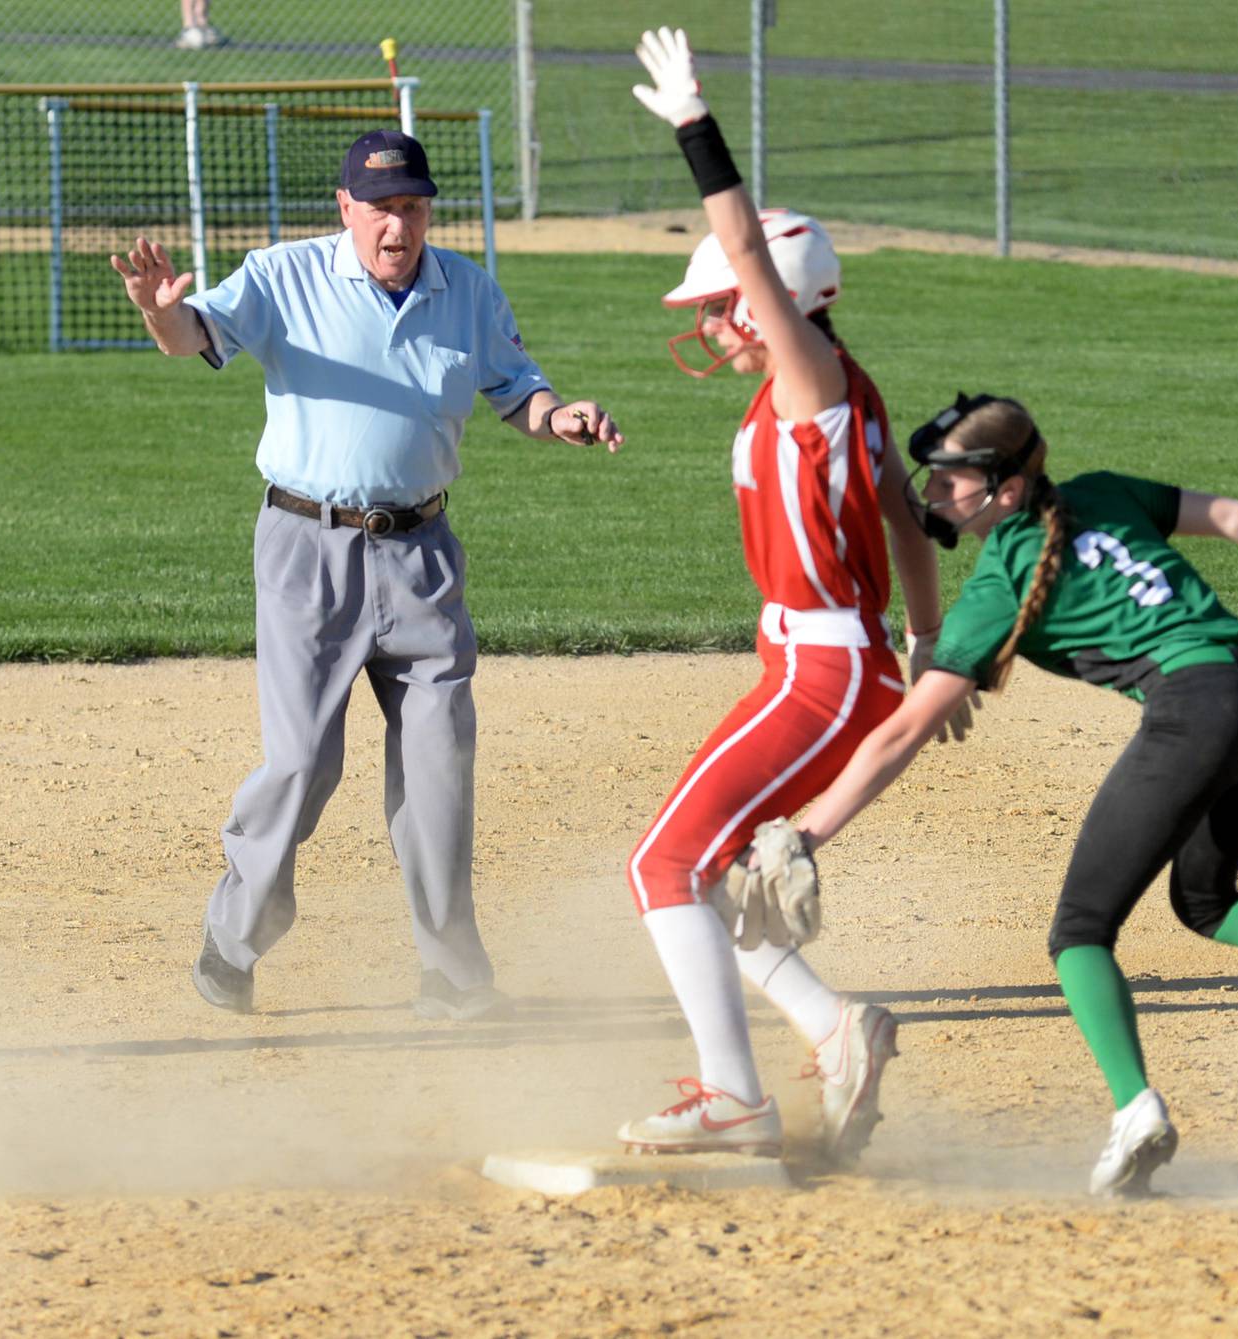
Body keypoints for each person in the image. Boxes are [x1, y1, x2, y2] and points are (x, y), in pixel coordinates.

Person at [793, 390, 1238, 1195]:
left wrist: (806, 835)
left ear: (1004, 491)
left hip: (1198, 713)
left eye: (947, 481)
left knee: (1080, 929)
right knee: (1205, 899)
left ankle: (1135, 1107)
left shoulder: (1001, 580)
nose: (932, 495)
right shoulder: (1103, 491)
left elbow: (902, 733)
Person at [110, 128, 623, 1021]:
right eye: (381, 208)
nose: (399, 226)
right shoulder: (283, 276)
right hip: (309, 549)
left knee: (439, 765)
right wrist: (161, 310)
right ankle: (235, 934)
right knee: (304, 762)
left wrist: (561, 414)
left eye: (413, 207)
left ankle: (451, 971)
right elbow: (194, 334)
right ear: (345, 207)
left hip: (422, 555)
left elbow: (516, 391)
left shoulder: (467, 290)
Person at [619, 27, 969, 1164]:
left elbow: (746, 253)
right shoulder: (835, 391)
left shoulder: (810, 375)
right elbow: (906, 521)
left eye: (724, 308)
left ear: (783, 305)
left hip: (820, 671)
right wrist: (926, 644)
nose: (713, 322)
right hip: (821, 665)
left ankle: (735, 1097)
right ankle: (836, 1028)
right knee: (712, 875)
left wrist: (692, 125)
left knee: (660, 866)